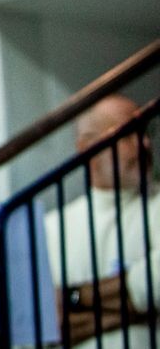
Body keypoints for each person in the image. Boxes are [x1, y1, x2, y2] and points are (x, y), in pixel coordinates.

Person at [44, 94, 158, 349]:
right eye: (128, 134)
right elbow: (43, 325)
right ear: (88, 148)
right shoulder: (51, 229)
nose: (145, 144)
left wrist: (75, 297)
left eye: (145, 132)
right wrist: (143, 308)